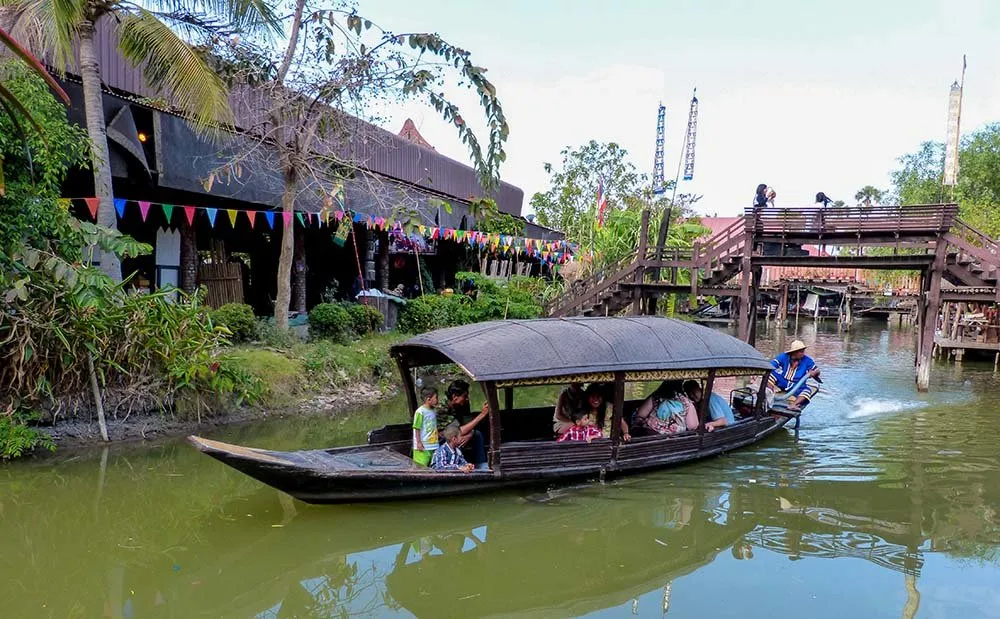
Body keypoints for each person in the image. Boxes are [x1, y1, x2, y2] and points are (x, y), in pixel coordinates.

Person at [437, 379, 489, 469]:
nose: (467, 398)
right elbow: (457, 431)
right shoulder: (442, 408)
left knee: (477, 434)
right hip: (442, 438)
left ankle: (482, 466)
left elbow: (468, 424)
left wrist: (471, 433)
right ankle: (459, 466)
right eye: (464, 396)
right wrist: (482, 415)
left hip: (458, 433)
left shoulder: (463, 404)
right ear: (454, 397)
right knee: (457, 439)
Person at [769, 340, 820, 411]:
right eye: (801, 352)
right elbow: (770, 366)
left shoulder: (807, 360)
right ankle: (769, 396)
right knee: (769, 374)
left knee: (807, 391)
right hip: (783, 381)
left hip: (797, 385)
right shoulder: (784, 356)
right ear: (794, 352)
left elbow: (817, 370)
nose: (803, 354)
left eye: (803, 351)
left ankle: (793, 405)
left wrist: (814, 373)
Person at [632, 381, 699, 435]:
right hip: (677, 436)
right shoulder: (687, 402)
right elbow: (693, 426)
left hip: (653, 434)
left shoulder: (656, 397)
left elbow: (640, 415)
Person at [411, 386, 439, 466]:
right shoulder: (420, 412)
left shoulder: (433, 410)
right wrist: (419, 443)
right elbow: (417, 428)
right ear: (428, 400)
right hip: (423, 446)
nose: (437, 400)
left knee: (432, 465)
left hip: (433, 444)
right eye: (436, 397)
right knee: (420, 467)